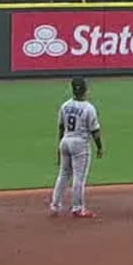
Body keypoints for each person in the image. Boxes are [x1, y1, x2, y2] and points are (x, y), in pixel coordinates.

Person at [50, 77, 103, 218]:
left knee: (63, 174)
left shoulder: (65, 105)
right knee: (79, 177)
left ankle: (55, 206)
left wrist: (59, 146)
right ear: (85, 90)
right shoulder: (89, 108)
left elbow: (61, 127)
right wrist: (99, 147)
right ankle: (78, 208)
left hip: (65, 141)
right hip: (80, 144)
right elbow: (95, 131)